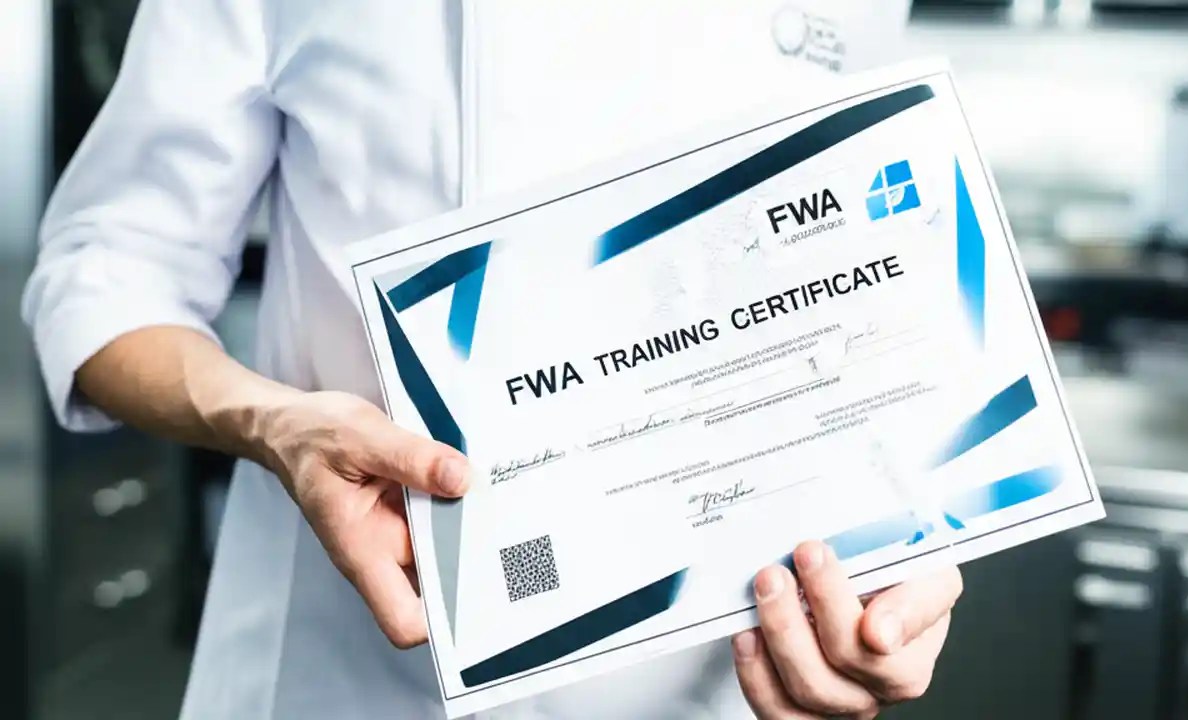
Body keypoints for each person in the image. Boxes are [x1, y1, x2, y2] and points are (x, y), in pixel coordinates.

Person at [23, 1, 962, 718]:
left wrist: (906, 555)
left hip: (711, 675)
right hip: (347, 677)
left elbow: (843, 284)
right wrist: (273, 425)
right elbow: (106, 268)